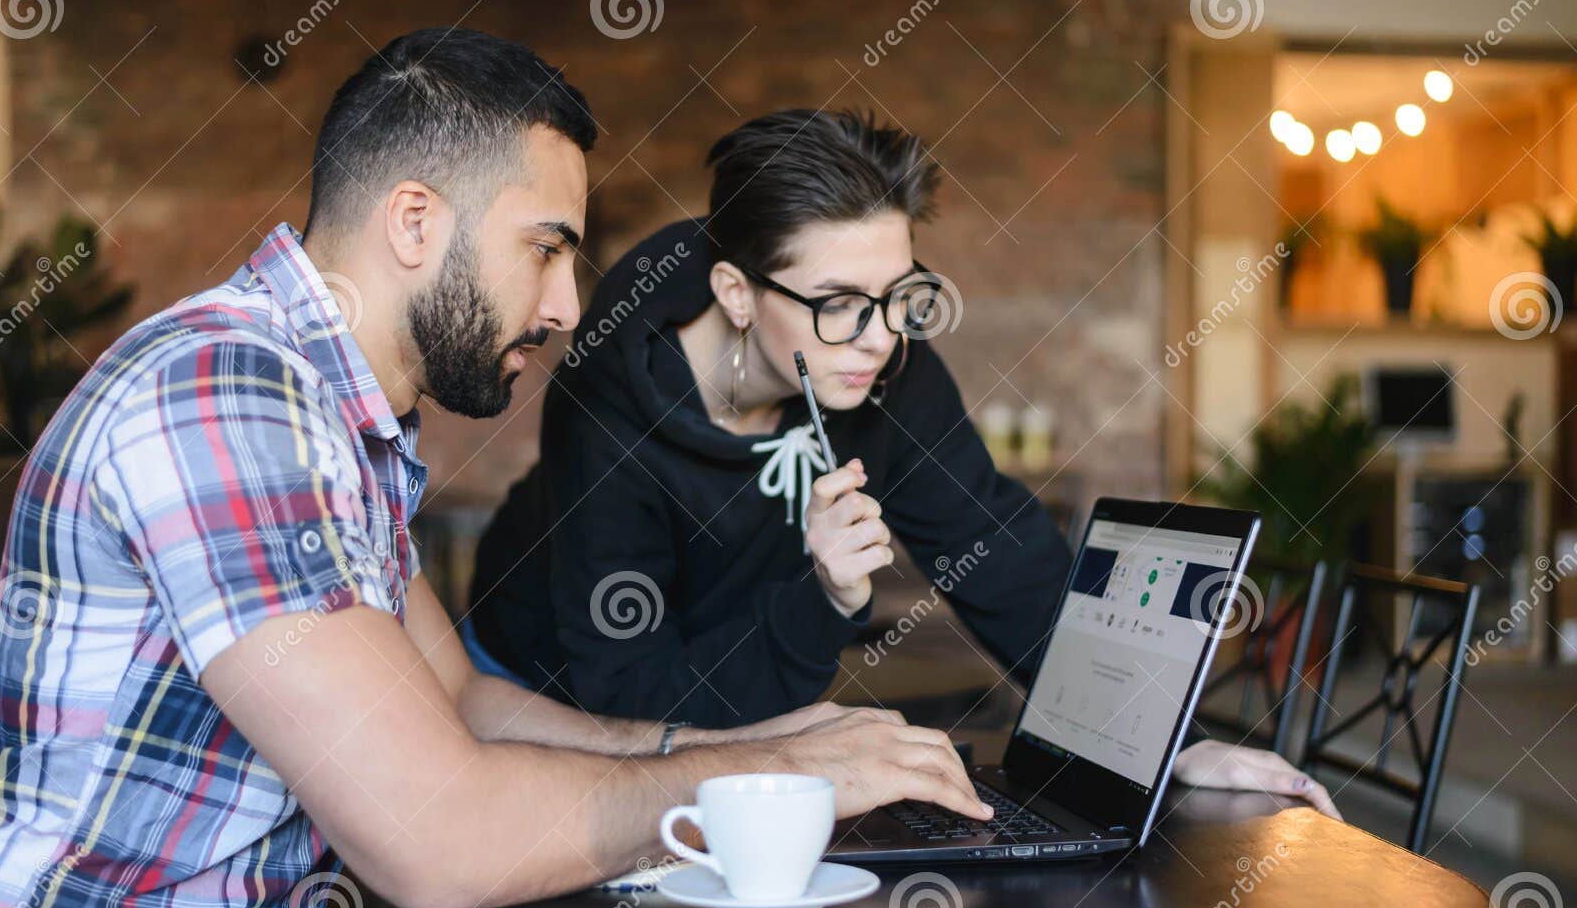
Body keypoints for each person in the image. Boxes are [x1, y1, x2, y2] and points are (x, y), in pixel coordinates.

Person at [0, 33, 987, 908]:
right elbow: (438, 843)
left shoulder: (332, 416)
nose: (565, 308)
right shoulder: (228, 401)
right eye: (545, 248)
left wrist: (747, 748)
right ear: (416, 222)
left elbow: (461, 701)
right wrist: (767, 787)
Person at [466, 109, 1341, 818]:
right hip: (554, 704)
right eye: (841, 305)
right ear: (737, 293)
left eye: (898, 295)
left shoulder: (884, 366)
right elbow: (632, 692)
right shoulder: (613, 392)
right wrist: (821, 605)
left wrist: (1162, 743)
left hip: (734, 714)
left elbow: (999, 548)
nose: (881, 337)